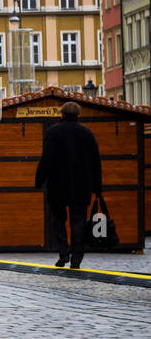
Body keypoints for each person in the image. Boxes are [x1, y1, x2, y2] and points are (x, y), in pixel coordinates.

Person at [35, 100, 103, 269]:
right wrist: (97, 187)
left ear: (62, 114)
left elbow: (46, 160)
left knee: (58, 221)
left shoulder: (53, 132)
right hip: (82, 187)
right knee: (78, 222)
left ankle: (63, 253)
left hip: (58, 186)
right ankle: (76, 258)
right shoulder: (87, 133)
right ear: (78, 115)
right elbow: (96, 162)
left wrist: (39, 180)